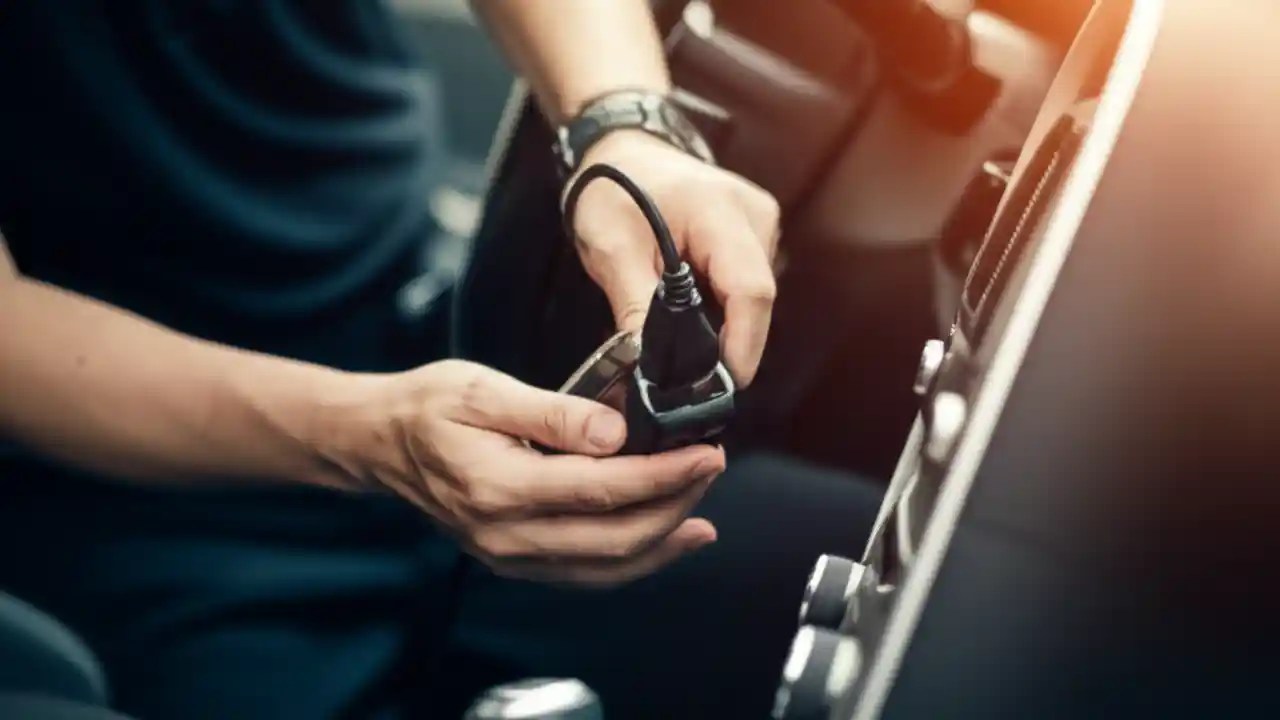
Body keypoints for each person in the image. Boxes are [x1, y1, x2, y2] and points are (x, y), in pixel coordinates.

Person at [0, 2, 881, 718]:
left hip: (424, 329)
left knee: (898, 602)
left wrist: (626, 121)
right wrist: (370, 437)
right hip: (154, 496)